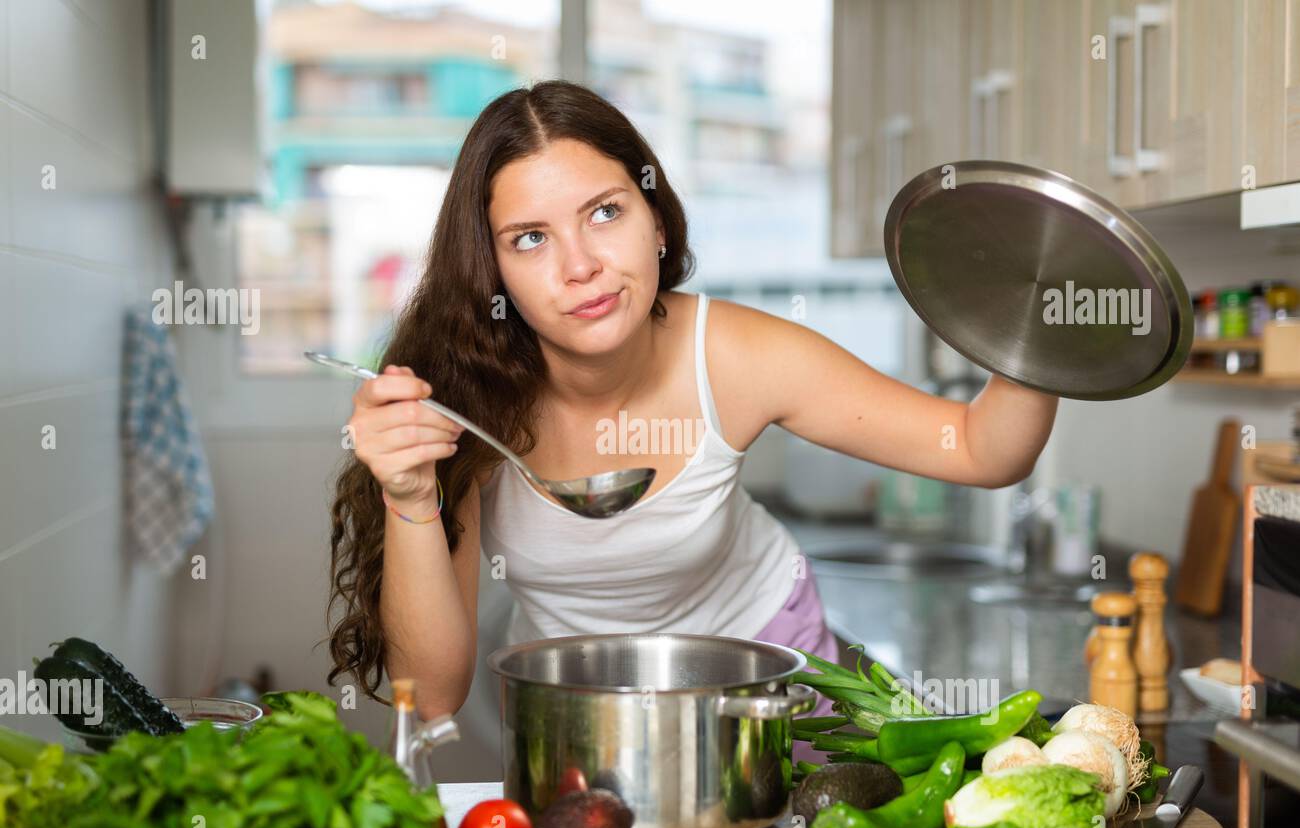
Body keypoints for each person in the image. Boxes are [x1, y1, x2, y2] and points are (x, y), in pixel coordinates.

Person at [326, 80, 1058, 767]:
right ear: (491, 268)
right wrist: (411, 497)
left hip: (778, 679)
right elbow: (433, 697)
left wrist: (1029, 312)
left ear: (656, 221)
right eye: (530, 238)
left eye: (605, 213)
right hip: (580, 712)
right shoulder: (463, 399)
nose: (579, 266)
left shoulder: (735, 355)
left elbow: (977, 448)